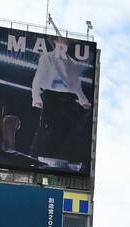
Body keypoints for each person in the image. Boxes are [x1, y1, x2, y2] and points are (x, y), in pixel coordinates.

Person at [29, 36, 92, 168]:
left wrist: (83, 99)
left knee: (66, 127)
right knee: (46, 126)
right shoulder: (47, 57)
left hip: (67, 98)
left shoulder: (72, 63)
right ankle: (35, 158)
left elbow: (76, 85)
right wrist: (36, 97)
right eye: (61, 41)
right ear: (55, 41)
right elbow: (37, 79)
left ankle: (62, 161)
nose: (64, 44)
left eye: (67, 42)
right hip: (50, 96)